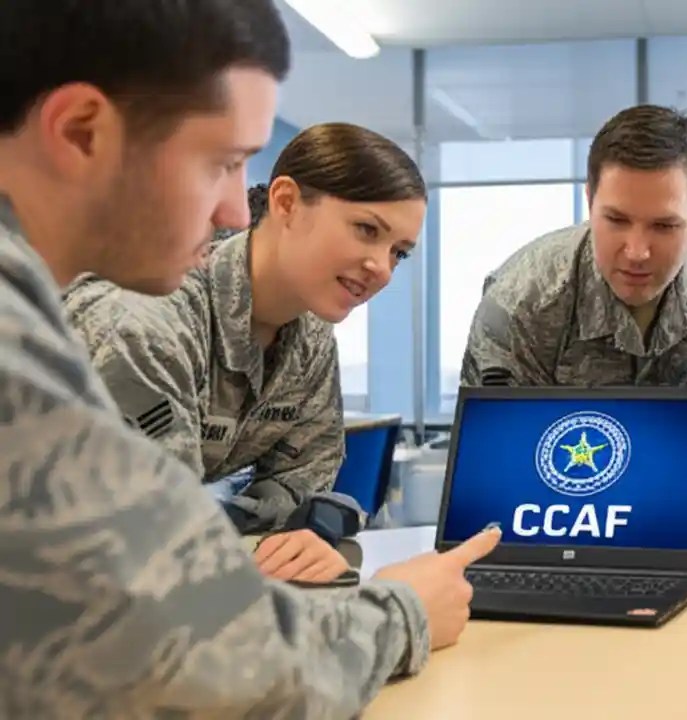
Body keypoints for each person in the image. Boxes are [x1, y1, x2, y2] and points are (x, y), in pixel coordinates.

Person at [0, 2, 498, 715]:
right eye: (223, 164)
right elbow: (182, 654)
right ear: (82, 132)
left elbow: (303, 492)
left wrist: (287, 540)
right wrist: (404, 612)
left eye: (400, 252)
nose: (237, 212)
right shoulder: (118, 323)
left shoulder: (305, 336)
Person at [64, 122, 422, 584]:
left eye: (399, 253)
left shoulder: (309, 334)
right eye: (366, 229)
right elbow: (157, 539)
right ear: (286, 202)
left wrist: (301, 537)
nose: (383, 269)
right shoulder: (147, 320)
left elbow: (306, 478)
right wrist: (394, 608)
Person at [459, 104, 687, 388]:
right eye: (616, 220)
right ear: (589, 202)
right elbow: (499, 418)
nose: (637, 252)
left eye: (664, 226)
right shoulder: (521, 301)